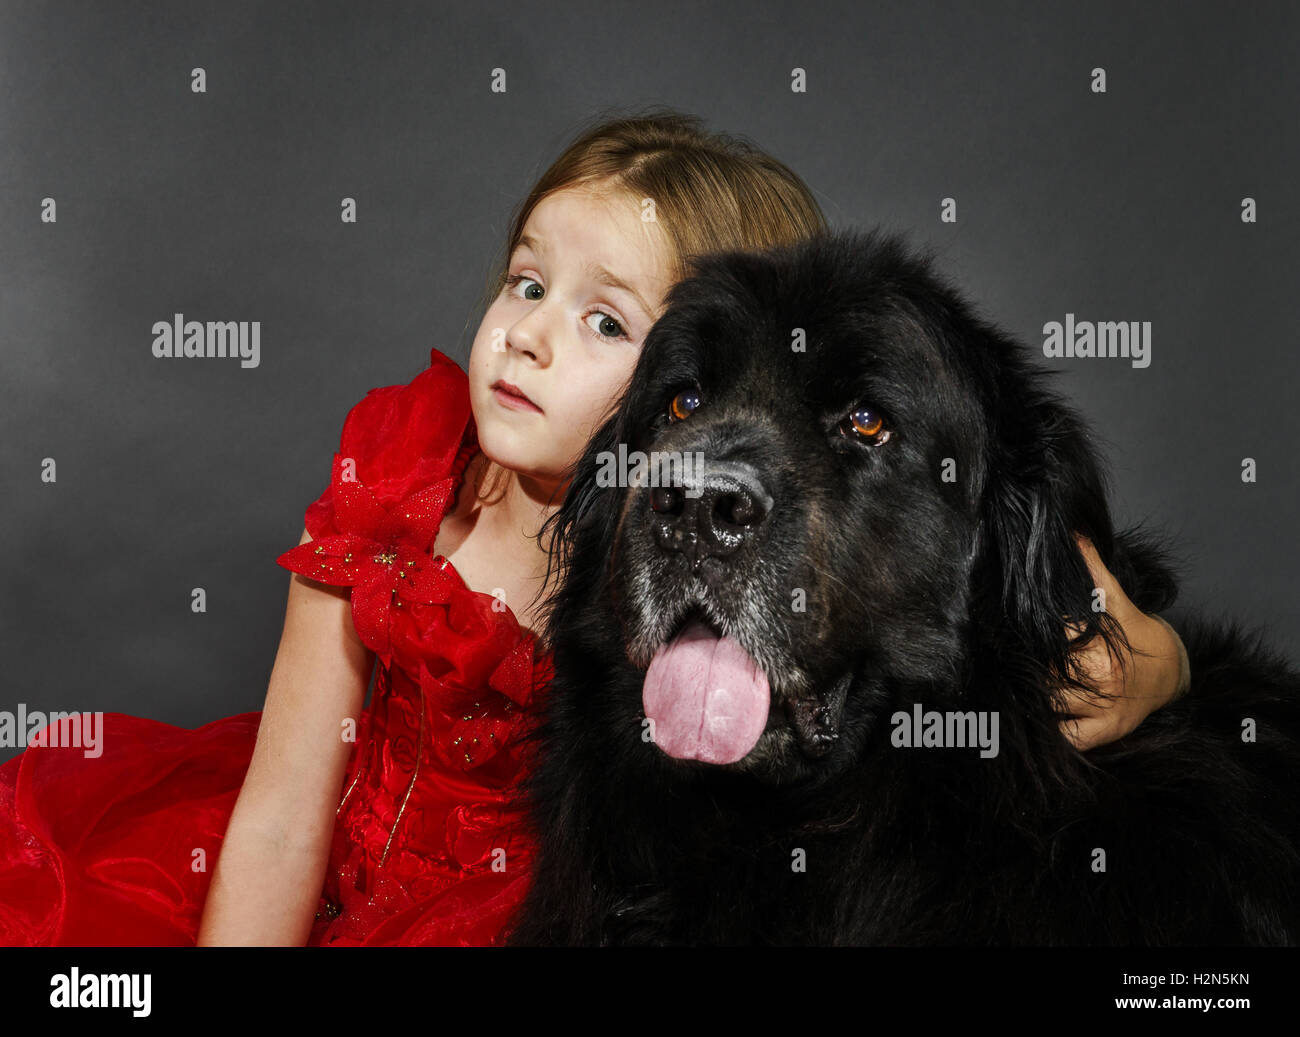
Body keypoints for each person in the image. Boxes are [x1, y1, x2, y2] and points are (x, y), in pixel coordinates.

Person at [0, 107, 1190, 947]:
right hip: (326, 886)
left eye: (606, 322)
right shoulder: (396, 479)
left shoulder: (843, 504)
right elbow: (277, 814)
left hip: (500, 910)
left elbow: (1075, 595)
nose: (528, 333)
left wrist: (1163, 661)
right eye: (525, 284)